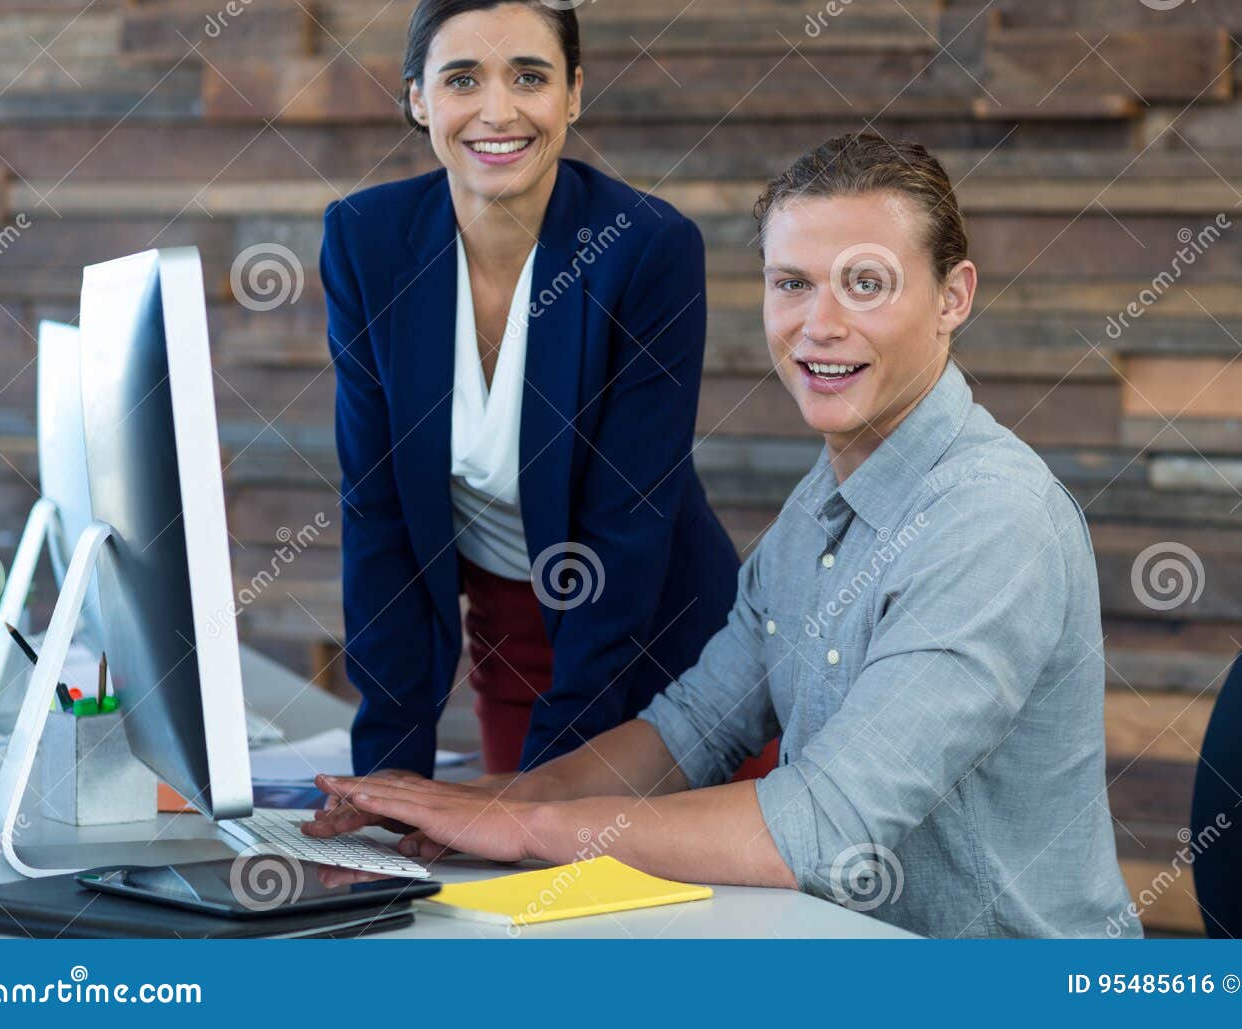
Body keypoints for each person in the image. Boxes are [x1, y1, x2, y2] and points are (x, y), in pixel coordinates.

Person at [309, 131, 1136, 939]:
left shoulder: (992, 519)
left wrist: (533, 831)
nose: (820, 324)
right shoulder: (822, 502)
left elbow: (819, 824)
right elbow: (690, 727)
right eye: (793, 283)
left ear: (953, 298)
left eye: (866, 284)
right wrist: (513, 800)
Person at [318, 0, 739, 789]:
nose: (497, 110)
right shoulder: (366, 240)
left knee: (623, 901)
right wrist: (388, 782)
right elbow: (380, 519)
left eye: (530, 76)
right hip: (509, 640)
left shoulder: (645, 249)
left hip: (664, 655)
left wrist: (542, 796)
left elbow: (629, 528)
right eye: (463, 78)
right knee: (502, 908)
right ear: (418, 99)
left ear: (574, 94)